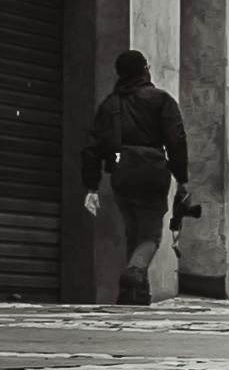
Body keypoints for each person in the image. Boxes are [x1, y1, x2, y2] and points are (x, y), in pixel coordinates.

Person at [79, 49, 192, 308]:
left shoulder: (109, 105)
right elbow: (176, 140)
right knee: (151, 234)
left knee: (133, 231)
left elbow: (91, 148)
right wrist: (182, 178)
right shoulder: (161, 100)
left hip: (121, 171)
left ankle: (138, 295)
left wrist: (91, 186)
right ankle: (135, 272)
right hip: (152, 172)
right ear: (145, 69)